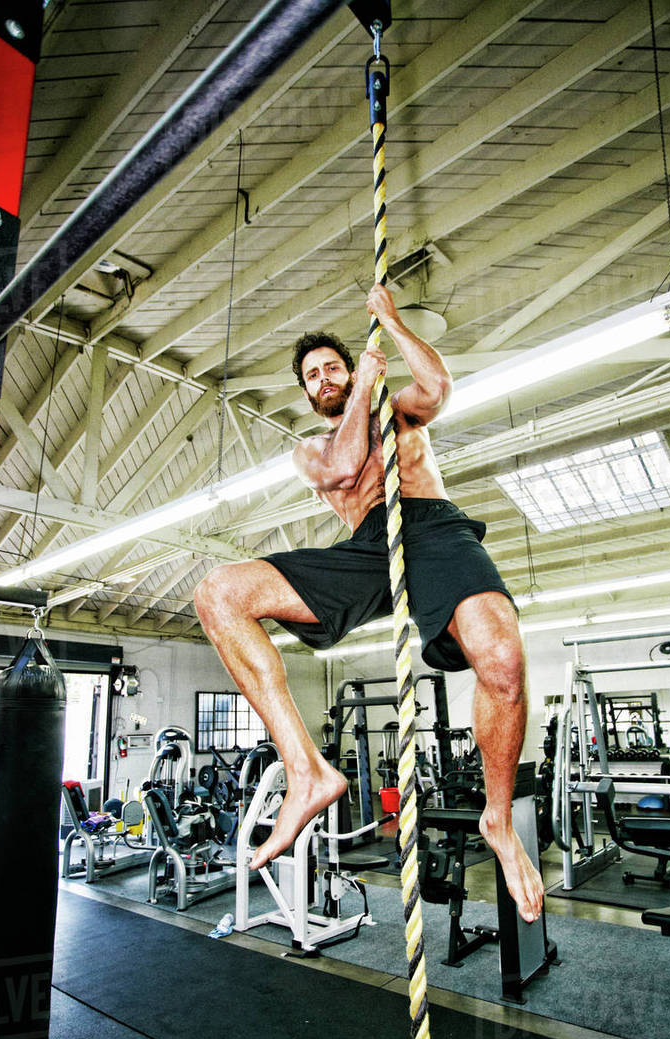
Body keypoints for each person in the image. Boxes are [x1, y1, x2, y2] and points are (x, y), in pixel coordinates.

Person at [194, 284, 544, 923]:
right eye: (312, 376)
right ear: (308, 394)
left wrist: (393, 324)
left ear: (351, 367)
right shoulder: (313, 450)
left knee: (502, 660)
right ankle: (307, 772)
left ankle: (498, 819)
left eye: (332, 366)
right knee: (218, 592)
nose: (323, 378)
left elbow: (436, 388)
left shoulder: (397, 410)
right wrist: (361, 390)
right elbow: (347, 463)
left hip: (432, 526)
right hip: (366, 548)